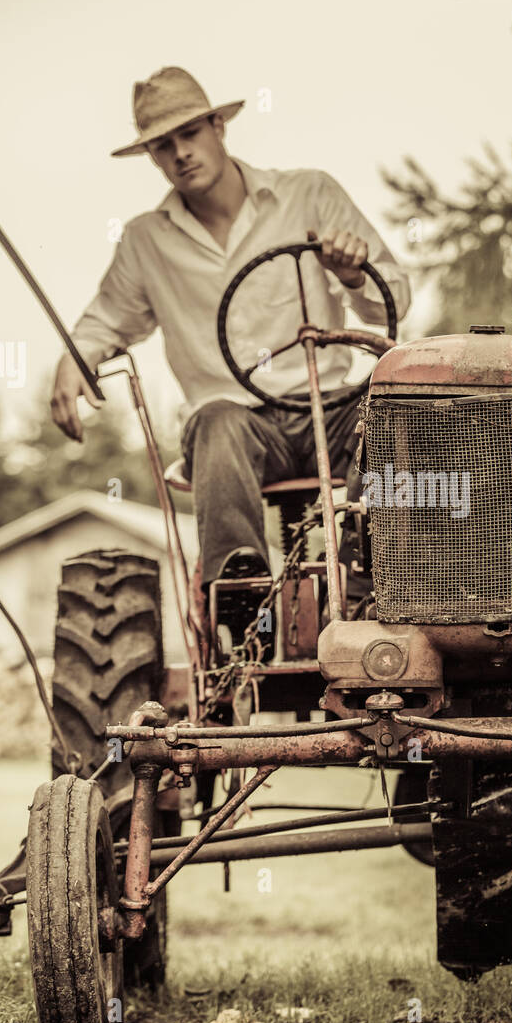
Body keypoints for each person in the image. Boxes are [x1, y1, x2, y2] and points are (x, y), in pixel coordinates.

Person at [50, 66, 411, 618]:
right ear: (151, 156)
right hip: (237, 432)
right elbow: (105, 320)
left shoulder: (308, 193)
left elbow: (394, 302)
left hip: (331, 411)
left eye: (190, 134)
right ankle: (242, 599)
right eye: (163, 145)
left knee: (395, 410)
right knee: (217, 419)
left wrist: (353, 273)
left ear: (219, 126)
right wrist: (75, 361)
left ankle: (378, 584)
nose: (180, 154)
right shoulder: (146, 240)